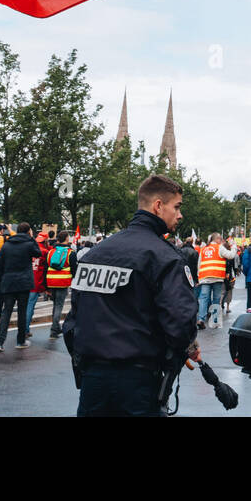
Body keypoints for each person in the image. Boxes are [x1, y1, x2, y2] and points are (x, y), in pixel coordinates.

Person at [64, 174, 199, 417]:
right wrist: (183, 348)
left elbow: (74, 317)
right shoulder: (165, 257)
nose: (180, 215)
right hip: (139, 380)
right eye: (176, 207)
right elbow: (180, 323)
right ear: (158, 206)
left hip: (93, 379)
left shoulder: (96, 253)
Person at [0, 222, 41, 351]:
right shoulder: (29, 244)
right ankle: (20, 341)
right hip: (24, 282)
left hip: (8, 282)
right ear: (28, 232)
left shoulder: (7, 245)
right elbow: (38, 254)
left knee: (6, 312)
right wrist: (32, 238)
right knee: (22, 312)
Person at [194, 232, 236, 328]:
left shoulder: (203, 249)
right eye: (220, 239)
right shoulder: (219, 247)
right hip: (217, 277)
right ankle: (215, 320)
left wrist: (199, 277)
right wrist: (233, 246)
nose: (221, 241)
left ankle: (201, 319)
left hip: (204, 277)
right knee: (216, 299)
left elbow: (199, 264)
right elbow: (231, 255)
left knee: (204, 298)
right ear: (217, 239)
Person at [45, 231, 77, 339]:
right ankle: (54, 330)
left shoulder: (51, 251)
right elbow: (74, 269)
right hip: (62, 282)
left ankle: (56, 327)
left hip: (51, 281)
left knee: (55, 305)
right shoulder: (70, 252)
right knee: (59, 305)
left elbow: (46, 267)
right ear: (67, 239)